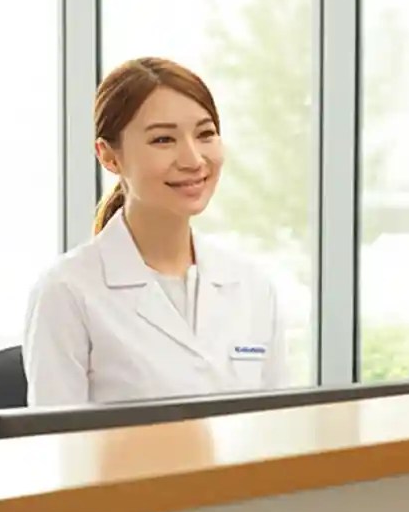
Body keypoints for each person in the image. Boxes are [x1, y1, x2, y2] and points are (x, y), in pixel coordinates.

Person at [23, 57, 289, 406]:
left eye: (205, 134)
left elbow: (280, 433)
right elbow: (55, 448)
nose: (193, 159)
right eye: (163, 139)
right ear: (109, 156)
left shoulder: (253, 288)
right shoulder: (67, 292)